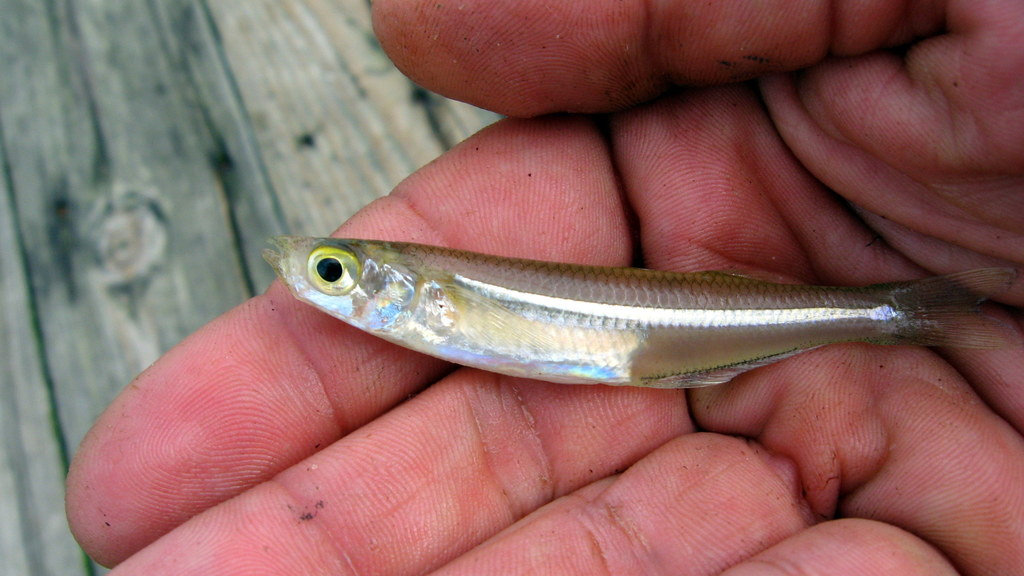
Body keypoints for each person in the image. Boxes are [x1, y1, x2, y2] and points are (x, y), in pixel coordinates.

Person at [66, 1, 1023, 574]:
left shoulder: (433, 298)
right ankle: (899, 312)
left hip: (688, 324)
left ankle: (899, 312)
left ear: (405, 291)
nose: (319, 284)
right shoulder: (428, 301)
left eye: (333, 275)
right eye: (329, 272)